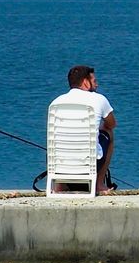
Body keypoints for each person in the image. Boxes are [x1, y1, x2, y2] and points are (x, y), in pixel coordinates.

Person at [49, 65, 117, 193]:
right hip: (89, 163)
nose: (96, 85)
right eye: (94, 81)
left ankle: (59, 186)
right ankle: (99, 184)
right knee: (109, 132)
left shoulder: (55, 103)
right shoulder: (99, 99)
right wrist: (101, 126)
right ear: (86, 82)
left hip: (59, 164)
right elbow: (112, 124)